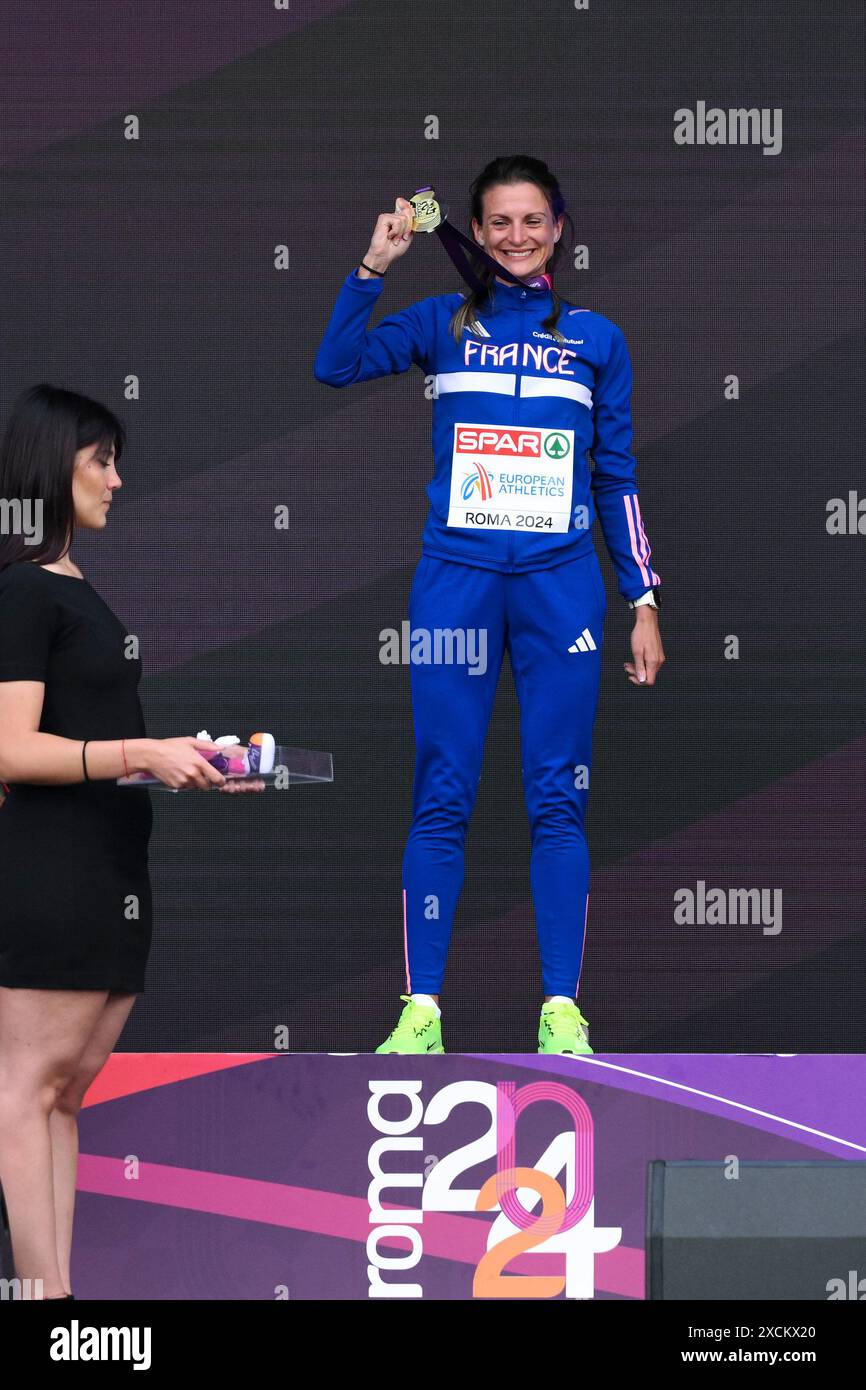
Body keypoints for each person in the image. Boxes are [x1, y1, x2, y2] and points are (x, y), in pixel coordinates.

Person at [314, 156, 664, 1055]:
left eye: (533, 221)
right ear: (474, 230)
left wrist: (644, 597)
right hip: (454, 588)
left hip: (561, 590)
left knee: (558, 798)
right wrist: (375, 263)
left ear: (558, 229)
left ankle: (560, 1009)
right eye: (498, 222)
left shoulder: (597, 339)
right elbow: (336, 364)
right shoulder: (443, 321)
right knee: (442, 792)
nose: (516, 237)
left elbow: (616, 476)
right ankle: (421, 1009)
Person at [0, 384, 263, 1300]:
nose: (118, 479)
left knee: (64, 1096)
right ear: (51, 469)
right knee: (29, 1091)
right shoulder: (23, 589)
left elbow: (92, 733)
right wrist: (136, 752)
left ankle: (55, 1298)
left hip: (112, 862)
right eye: (100, 461)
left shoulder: (71, 586)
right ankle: (46, 1301)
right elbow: (10, 747)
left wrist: (180, 759)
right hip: (52, 868)